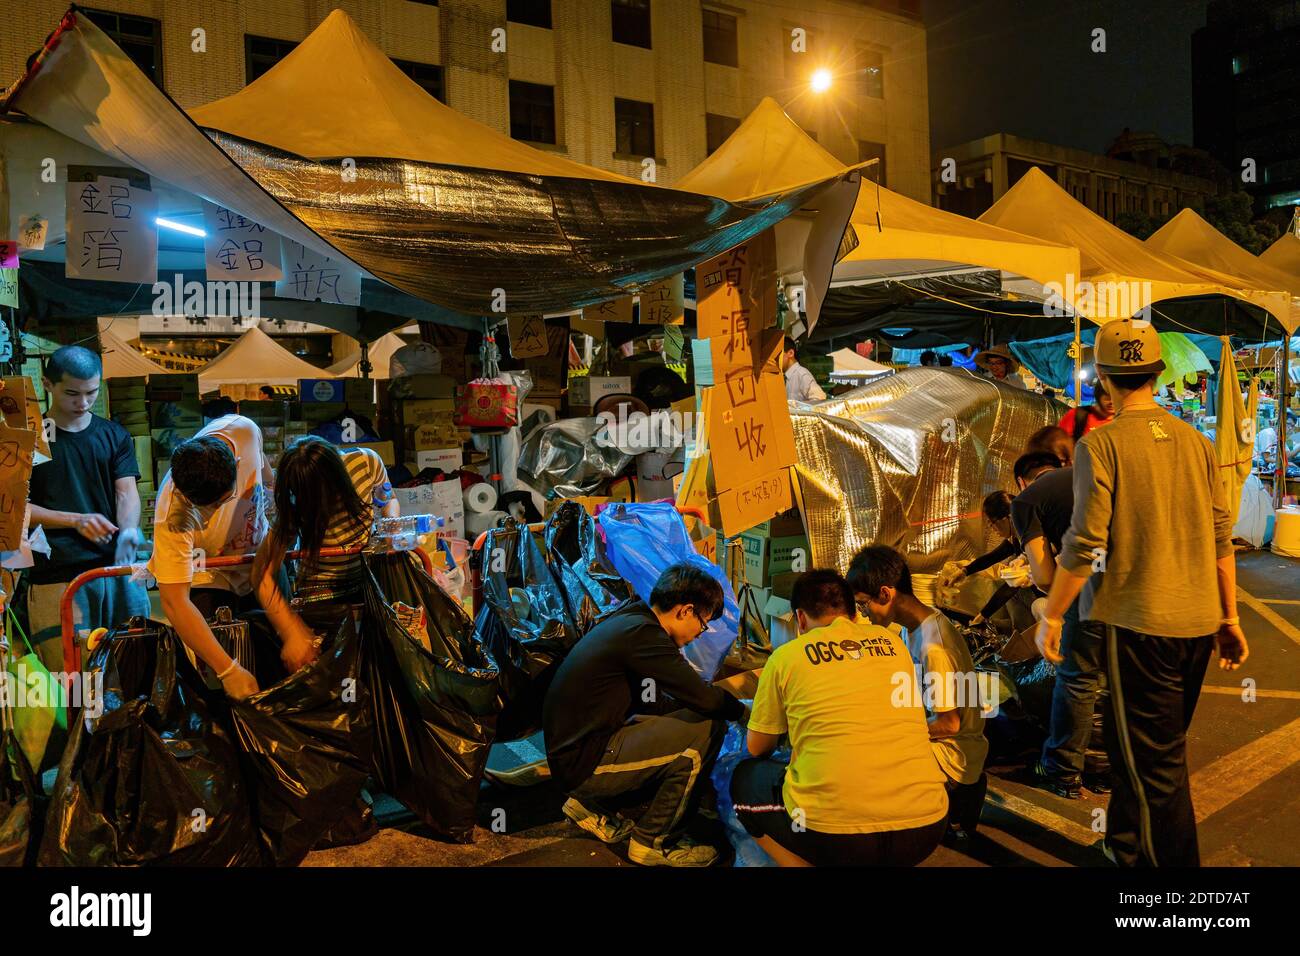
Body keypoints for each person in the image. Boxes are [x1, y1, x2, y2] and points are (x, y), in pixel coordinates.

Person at [1035, 318, 1248, 867]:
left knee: (1157, 770)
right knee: (1147, 754)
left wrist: (1053, 615)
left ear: (1103, 376)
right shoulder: (1196, 442)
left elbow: (1084, 543)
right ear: (1156, 372)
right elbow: (1222, 536)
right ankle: (1125, 847)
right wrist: (1230, 618)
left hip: (1139, 627)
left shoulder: (1099, 445)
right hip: (1199, 625)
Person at [731, 569, 948, 866]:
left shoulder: (785, 657)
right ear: (853, 613)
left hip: (836, 838)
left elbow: (758, 748)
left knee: (743, 779)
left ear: (800, 618)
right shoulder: (893, 644)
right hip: (926, 828)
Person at [542, 562, 745, 867]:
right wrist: (746, 712)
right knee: (705, 733)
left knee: (686, 722)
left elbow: (656, 703)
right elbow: (704, 698)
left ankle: (589, 805)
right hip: (584, 764)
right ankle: (655, 842)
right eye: (703, 624)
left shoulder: (634, 619)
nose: (700, 635)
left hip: (575, 752)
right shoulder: (646, 637)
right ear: (685, 611)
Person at [848, 546, 989, 839]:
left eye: (864, 605)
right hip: (946, 740)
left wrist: (893, 732)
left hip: (954, 755)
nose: (863, 613)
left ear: (886, 594)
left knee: (867, 765)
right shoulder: (916, 625)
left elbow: (950, 724)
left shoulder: (933, 647)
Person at [25, 346, 150, 671]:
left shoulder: (113, 435)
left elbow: (127, 493)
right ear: (47, 384)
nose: (82, 403)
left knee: (135, 670)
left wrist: (128, 531)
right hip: (58, 577)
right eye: (72, 394)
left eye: (91, 393)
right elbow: (13, 511)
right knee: (74, 679)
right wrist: (75, 520)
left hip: (118, 571)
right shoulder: (27, 439)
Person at [149, 414, 272, 700]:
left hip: (259, 558)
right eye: (204, 508)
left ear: (236, 466)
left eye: (221, 503)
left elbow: (265, 471)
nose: (212, 516)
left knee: (272, 657)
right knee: (221, 682)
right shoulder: (173, 514)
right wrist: (228, 670)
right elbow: (174, 602)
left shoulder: (244, 431)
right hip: (209, 574)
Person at [250, 436, 397, 672]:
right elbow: (261, 574)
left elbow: (388, 499)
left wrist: (391, 527)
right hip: (319, 597)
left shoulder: (367, 463)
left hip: (367, 585)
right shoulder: (297, 501)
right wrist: (291, 631)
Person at [1010, 452, 1109, 797]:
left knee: (1078, 679)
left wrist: (1039, 588)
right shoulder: (1091, 473)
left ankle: (1064, 773)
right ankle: (1107, 771)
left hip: (1090, 588)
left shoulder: (1025, 501)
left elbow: (1046, 575)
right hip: (1141, 586)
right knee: (1114, 679)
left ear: (1022, 481)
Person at [1059, 373, 1115, 441]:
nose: (1112, 401)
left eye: (1115, 397)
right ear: (1099, 394)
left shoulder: (1123, 421)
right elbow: (1059, 443)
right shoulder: (1078, 415)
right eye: (1108, 396)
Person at [781, 336, 826, 403]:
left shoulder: (801, 374)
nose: (775, 360)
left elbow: (820, 398)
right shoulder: (786, 377)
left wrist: (797, 408)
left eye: (778, 355)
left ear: (790, 353)